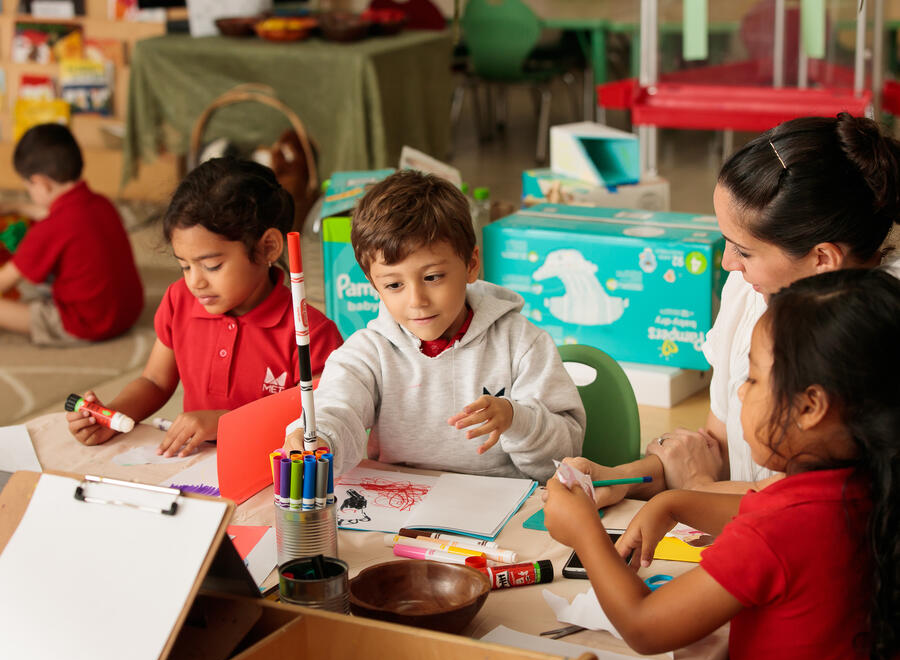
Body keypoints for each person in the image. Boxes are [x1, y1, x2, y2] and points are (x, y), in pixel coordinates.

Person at [544, 268, 900, 660]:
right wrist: (672, 502)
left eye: (751, 378)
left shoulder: (779, 531)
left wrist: (586, 533)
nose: (739, 391)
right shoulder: (862, 483)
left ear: (810, 407)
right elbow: (759, 508)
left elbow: (645, 627)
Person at [566, 113, 900, 507]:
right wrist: (623, 478)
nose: (726, 263)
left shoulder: (878, 332)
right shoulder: (749, 290)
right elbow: (717, 450)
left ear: (823, 260)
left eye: (743, 250)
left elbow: (821, 510)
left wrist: (698, 486)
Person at [284, 170, 585, 481]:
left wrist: (515, 419)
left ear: (471, 264)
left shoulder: (521, 343)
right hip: (402, 511)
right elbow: (336, 408)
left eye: (432, 277)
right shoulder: (367, 351)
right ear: (373, 283)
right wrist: (319, 439)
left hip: (504, 509)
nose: (417, 300)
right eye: (394, 285)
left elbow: (564, 456)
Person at [66, 157, 343, 457]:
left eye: (212, 266)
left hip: (275, 472)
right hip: (194, 466)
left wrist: (226, 422)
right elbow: (155, 381)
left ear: (268, 248)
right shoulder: (179, 300)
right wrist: (114, 416)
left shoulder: (310, 333)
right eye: (184, 265)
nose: (195, 282)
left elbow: (323, 420)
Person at [0, 123, 143, 345]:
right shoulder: (102, 204)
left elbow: (4, 282)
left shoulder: (50, 229)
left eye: (28, 187)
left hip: (89, 323)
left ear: (40, 183)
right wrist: (16, 206)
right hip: (128, 312)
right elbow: (55, 215)